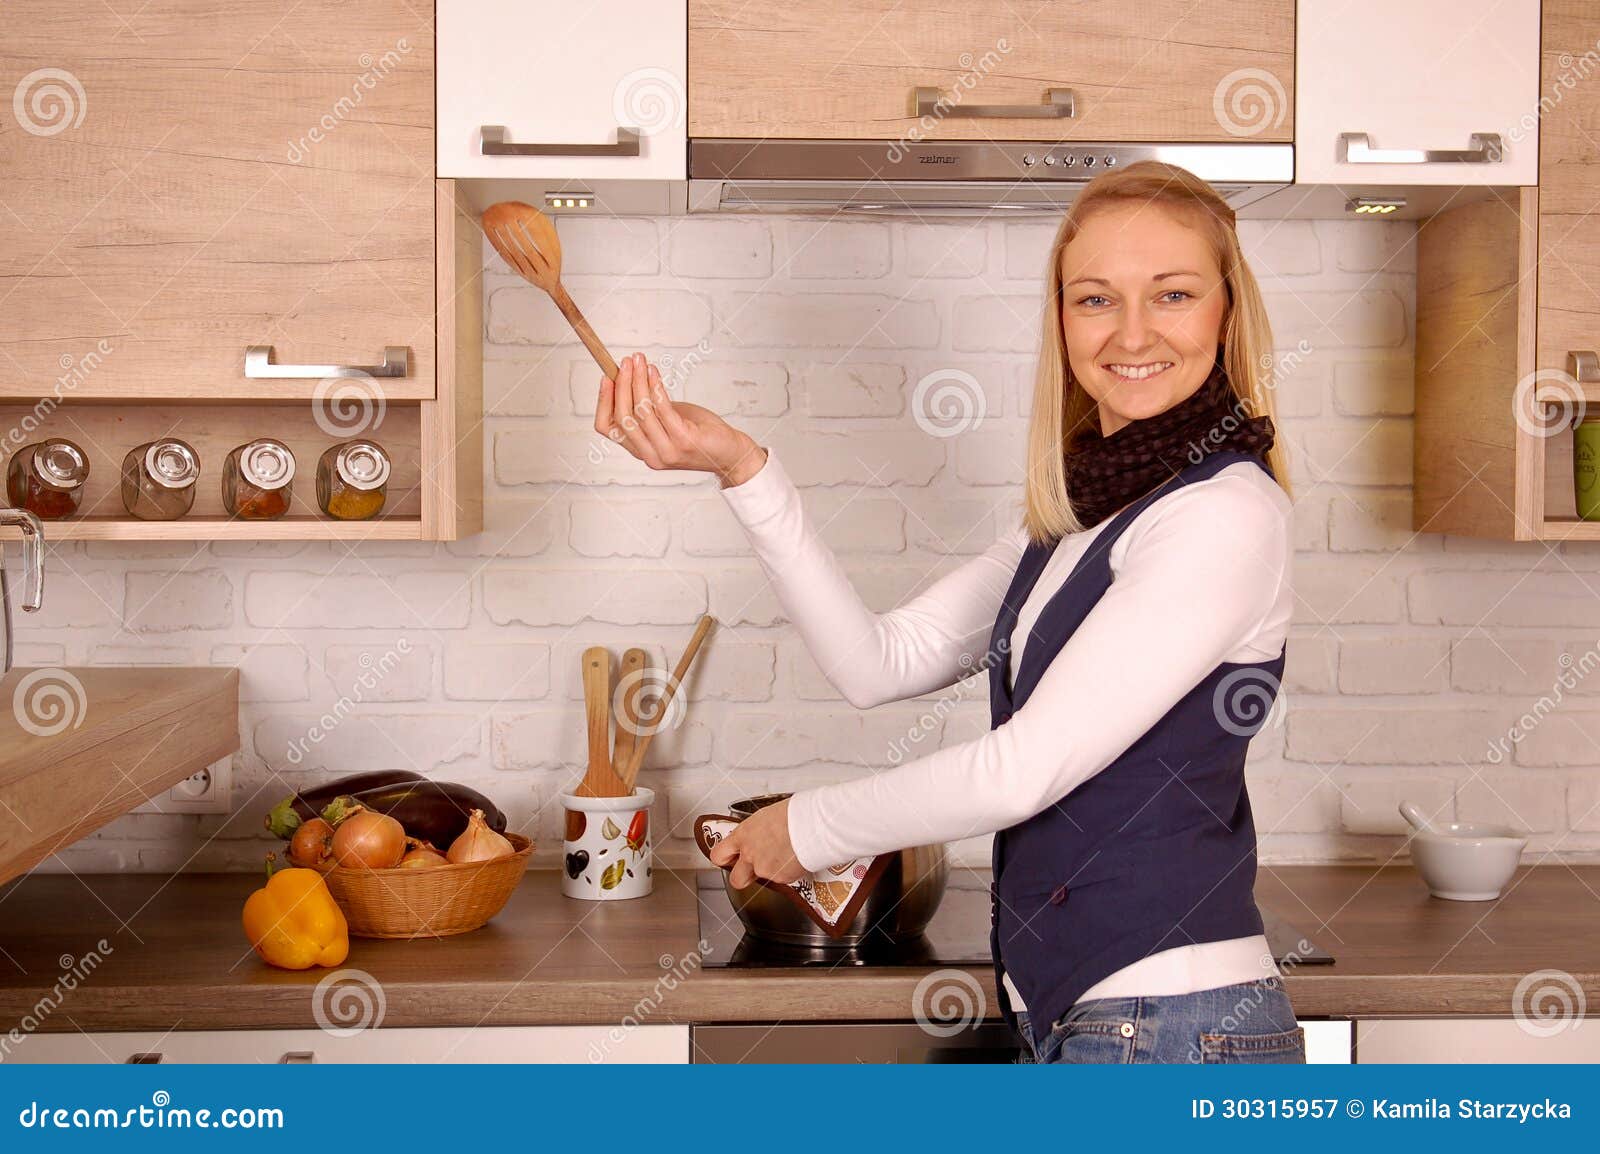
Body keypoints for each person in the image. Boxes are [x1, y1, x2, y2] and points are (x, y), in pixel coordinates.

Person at [594, 160, 1303, 1064]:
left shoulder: (1223, 514)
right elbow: (879, 663)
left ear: (1227, 313)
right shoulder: (1082, 512)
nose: (1131, 332)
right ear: (1060, 321)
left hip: (1172, 1029)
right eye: (1094, 300)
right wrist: (743, 469)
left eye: (1171, 294)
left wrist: (805, 829)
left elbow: (1021, 770)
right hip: (1096, 1021)